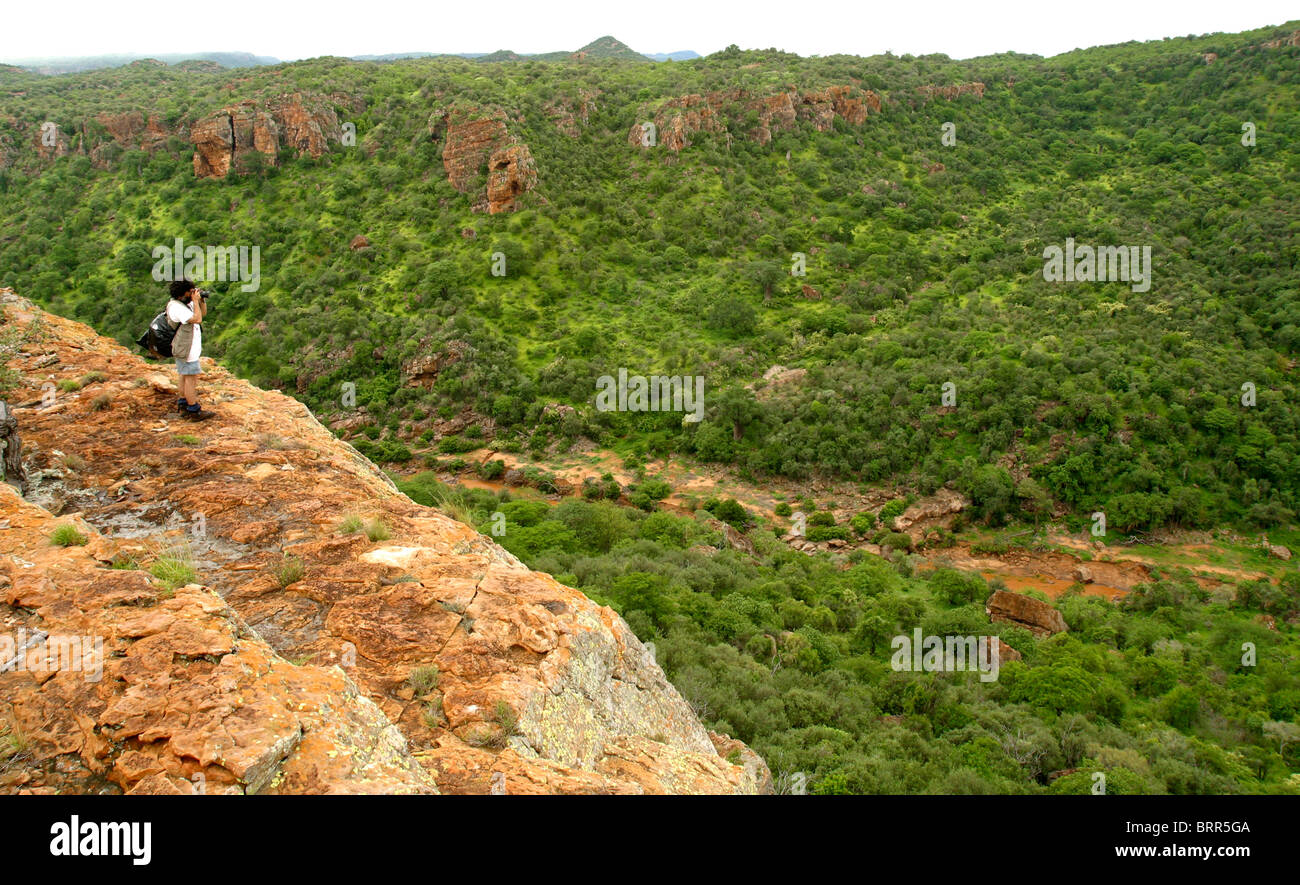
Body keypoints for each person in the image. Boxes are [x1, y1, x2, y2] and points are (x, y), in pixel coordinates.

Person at [166, 280, 215, 421]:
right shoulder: (176, 307)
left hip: (187, 348)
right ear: (183, 293)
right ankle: (193, 410)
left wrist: (201, 301)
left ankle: (183, 403)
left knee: (184, 375)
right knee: (190, 379)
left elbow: (203, 314)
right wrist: (194, 300)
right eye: (190, 291)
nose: (193, 292)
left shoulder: (184, 303)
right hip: (186, 349)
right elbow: (197, 318)